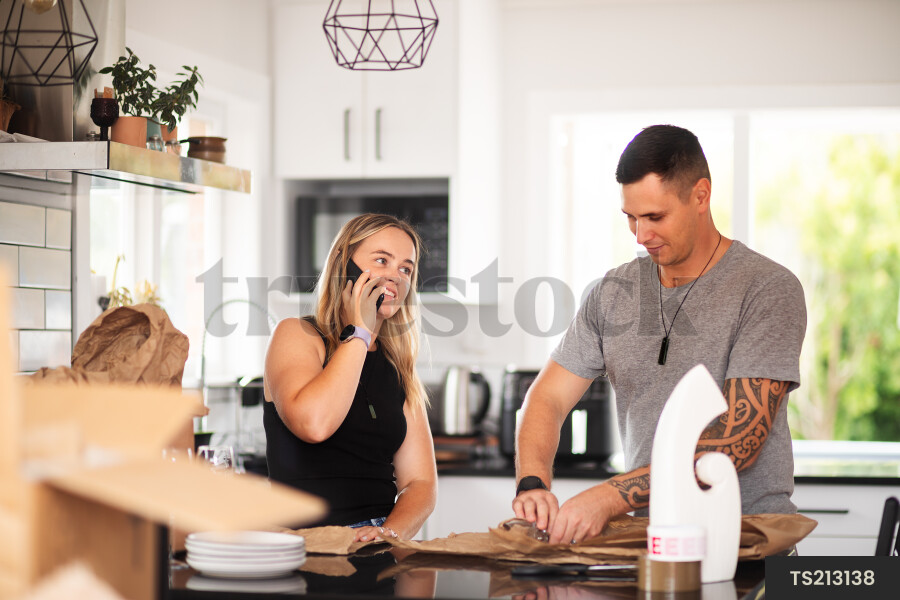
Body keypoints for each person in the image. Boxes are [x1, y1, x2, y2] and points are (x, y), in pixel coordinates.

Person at [513, 125, 806, 545]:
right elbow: (547, 398)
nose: (640, 235)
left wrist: (611, 495)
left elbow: (738, 440)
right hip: (653, 542)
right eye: (631, 218)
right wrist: (532, 482)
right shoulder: (611, 294)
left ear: (700, 196)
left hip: (748, 541)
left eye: (655, 217)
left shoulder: (766, 288)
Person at [264, 213, 437, 543]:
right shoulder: (297, 335)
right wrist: (360, 330)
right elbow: (315, 425)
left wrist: (388, 534)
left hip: (378, 542)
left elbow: (421, 484)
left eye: (406, 269)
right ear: (345, 265)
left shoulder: (397, 364)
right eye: (382, 260)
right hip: (308, 545)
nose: (395, 277)